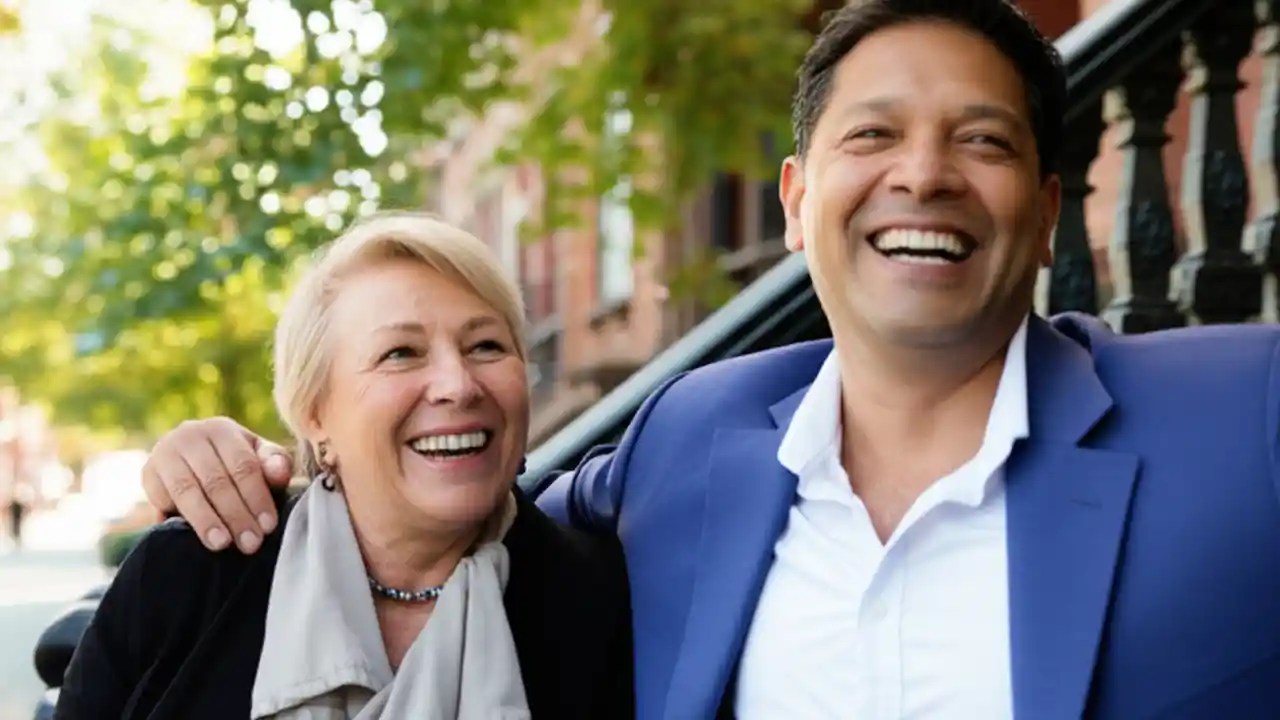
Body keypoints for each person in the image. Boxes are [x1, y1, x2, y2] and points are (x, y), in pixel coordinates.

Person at [138, 0, 1280, 718]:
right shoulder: (691, 437)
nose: (921, 174)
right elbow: (449, 497)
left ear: (1041, 213)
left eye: (977, 140)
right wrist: (245, 462)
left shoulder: (1241, 416)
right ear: (795, 204)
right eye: (870, 135)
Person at [56, 213, 633, 718]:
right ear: (315, 415)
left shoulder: (596, 598)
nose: (458, 385)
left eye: (486, 345)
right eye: (400, 353)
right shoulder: (192, 575)